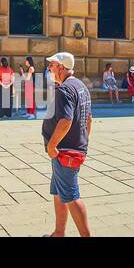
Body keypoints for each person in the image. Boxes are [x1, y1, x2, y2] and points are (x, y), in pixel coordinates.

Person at [43, 51, 93, 237]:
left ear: (61, 68)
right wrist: (83, 143)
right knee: (59, 192)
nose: (49, 68)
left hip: (64, 152)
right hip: (73, 150)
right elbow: (88, 119)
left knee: (71, 195)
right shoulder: (81, 86)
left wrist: (51, 145)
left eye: (52, 65)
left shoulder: (64, 90)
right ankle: (59, 232)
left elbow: (65, 121)